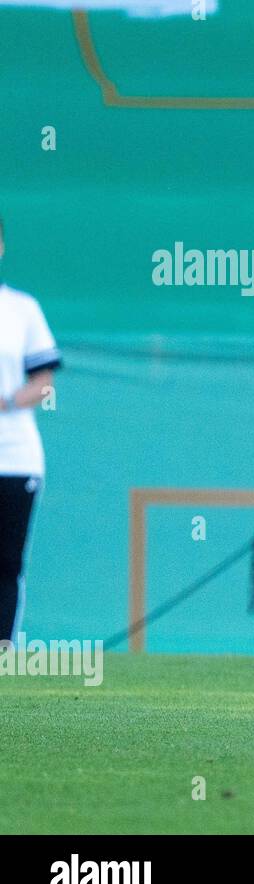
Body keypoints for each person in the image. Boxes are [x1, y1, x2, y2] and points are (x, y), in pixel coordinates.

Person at [0, 216, 60, 646]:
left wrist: (6, 401)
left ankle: (3, 647)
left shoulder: (21, 309)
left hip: (14, 458)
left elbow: (43, 382)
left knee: (5, 562)